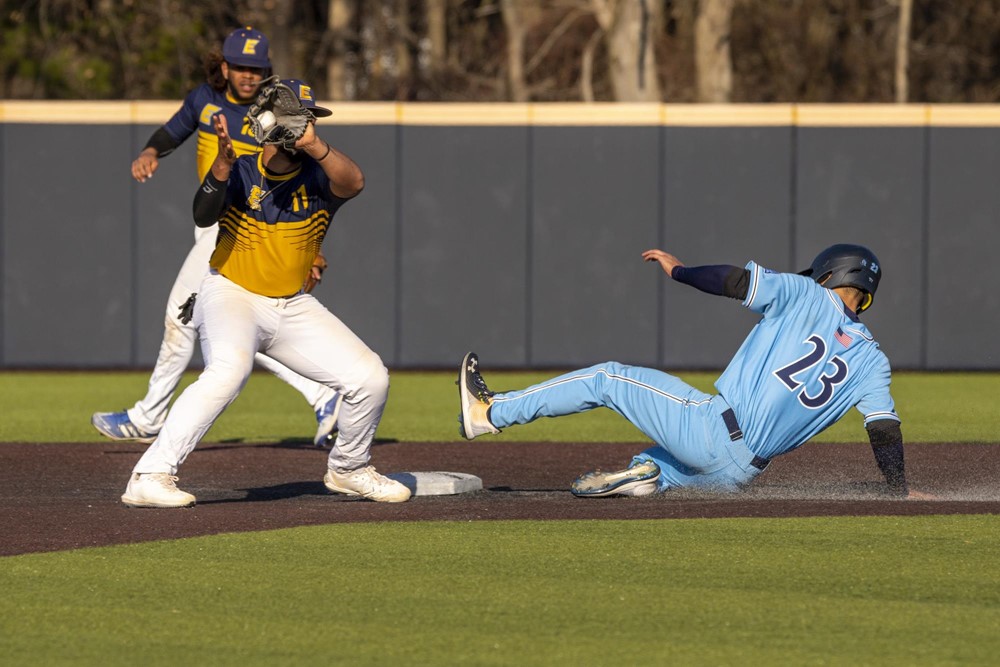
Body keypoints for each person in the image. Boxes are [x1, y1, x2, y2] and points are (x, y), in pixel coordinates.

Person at [120, 78, 410, 507]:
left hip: (291, 304)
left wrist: (315, 145)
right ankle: (150, 474)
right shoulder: (241, 167)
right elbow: (203, 215)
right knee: (227, 372)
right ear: (270, 119)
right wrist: (219, 169)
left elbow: (356, 182)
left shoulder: (318, 174)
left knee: (369, 377)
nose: (303, 126)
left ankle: (349, 468)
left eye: (308, 118)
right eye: (297, 117)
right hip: (232, 293)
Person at [458, 244, 934, 500]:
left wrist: (679, 271)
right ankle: (647, 475)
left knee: (607, 379)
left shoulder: (805, 293)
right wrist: (896, 490)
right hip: (740, 474)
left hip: (712, 429)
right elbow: (884, 431)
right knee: (659, 458)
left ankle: (489, 412)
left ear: (830, 275)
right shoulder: (873, 359)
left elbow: (733, 281)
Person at [91, 27, 342, 449]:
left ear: (267, 72)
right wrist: (151, 152)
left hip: (242, 226)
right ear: (224, 67)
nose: (248, 75)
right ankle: (322, 395)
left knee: (181, 315)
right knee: (235, 326)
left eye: (257, 68)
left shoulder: (273, 115)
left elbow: (302, 192)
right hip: (212, 222)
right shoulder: (204, 101)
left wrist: (311, 250)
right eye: (241, 66)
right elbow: (172, 132)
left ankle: (149, 416)